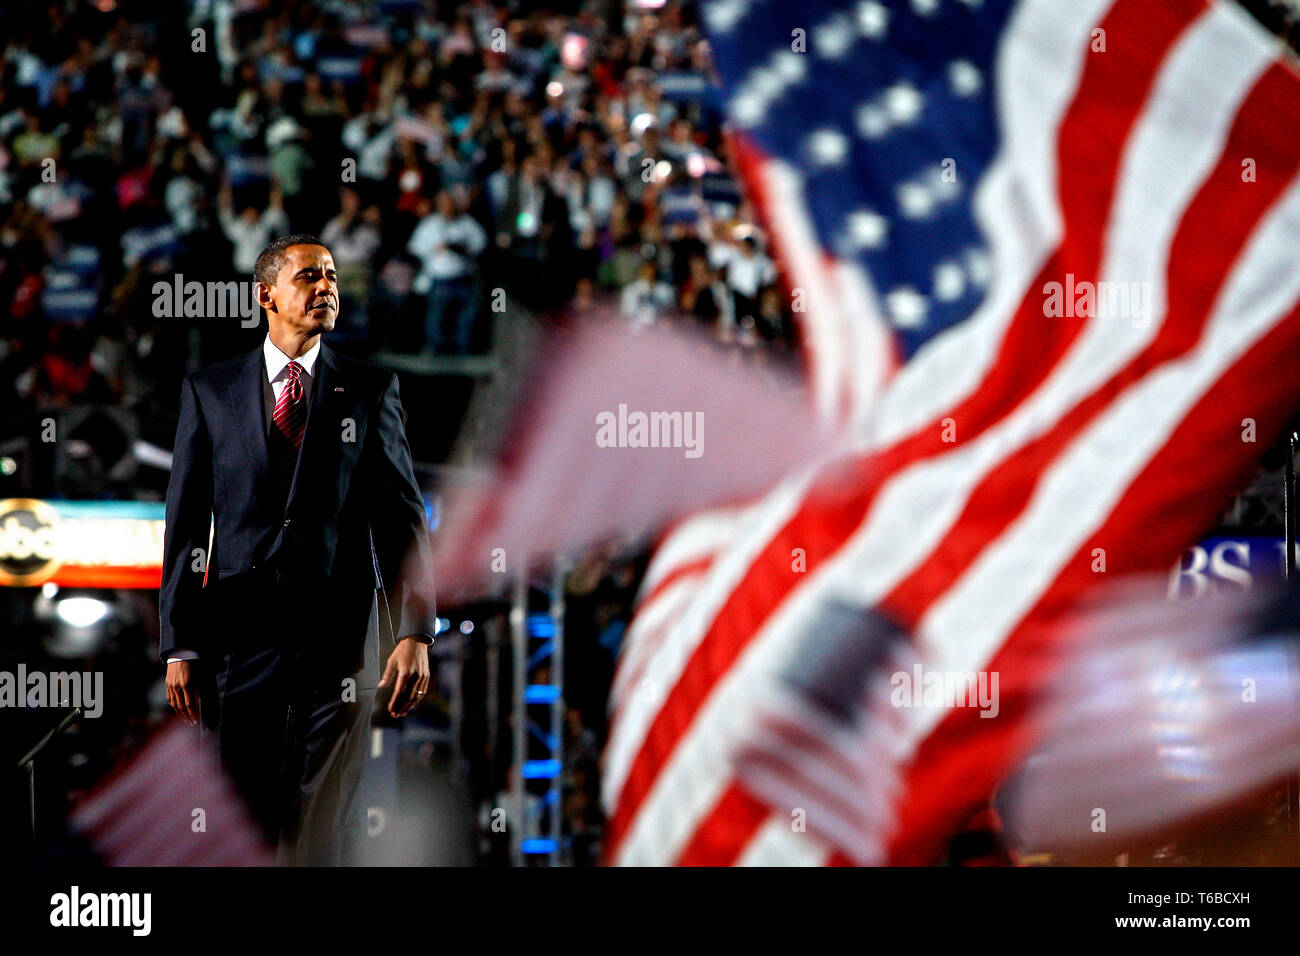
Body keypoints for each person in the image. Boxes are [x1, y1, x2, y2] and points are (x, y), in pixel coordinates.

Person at [158, 234, 436, 865]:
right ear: (267, 296)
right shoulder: (210, 389)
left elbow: (401, 517)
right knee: (245, 817)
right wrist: (180, 642)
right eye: (310, 275)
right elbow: (184, 526)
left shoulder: (370, 389)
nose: (326, 286)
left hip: (337, 641)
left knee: (319, 823)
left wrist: (415, 632)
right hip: (238, 639)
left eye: (332, 275)